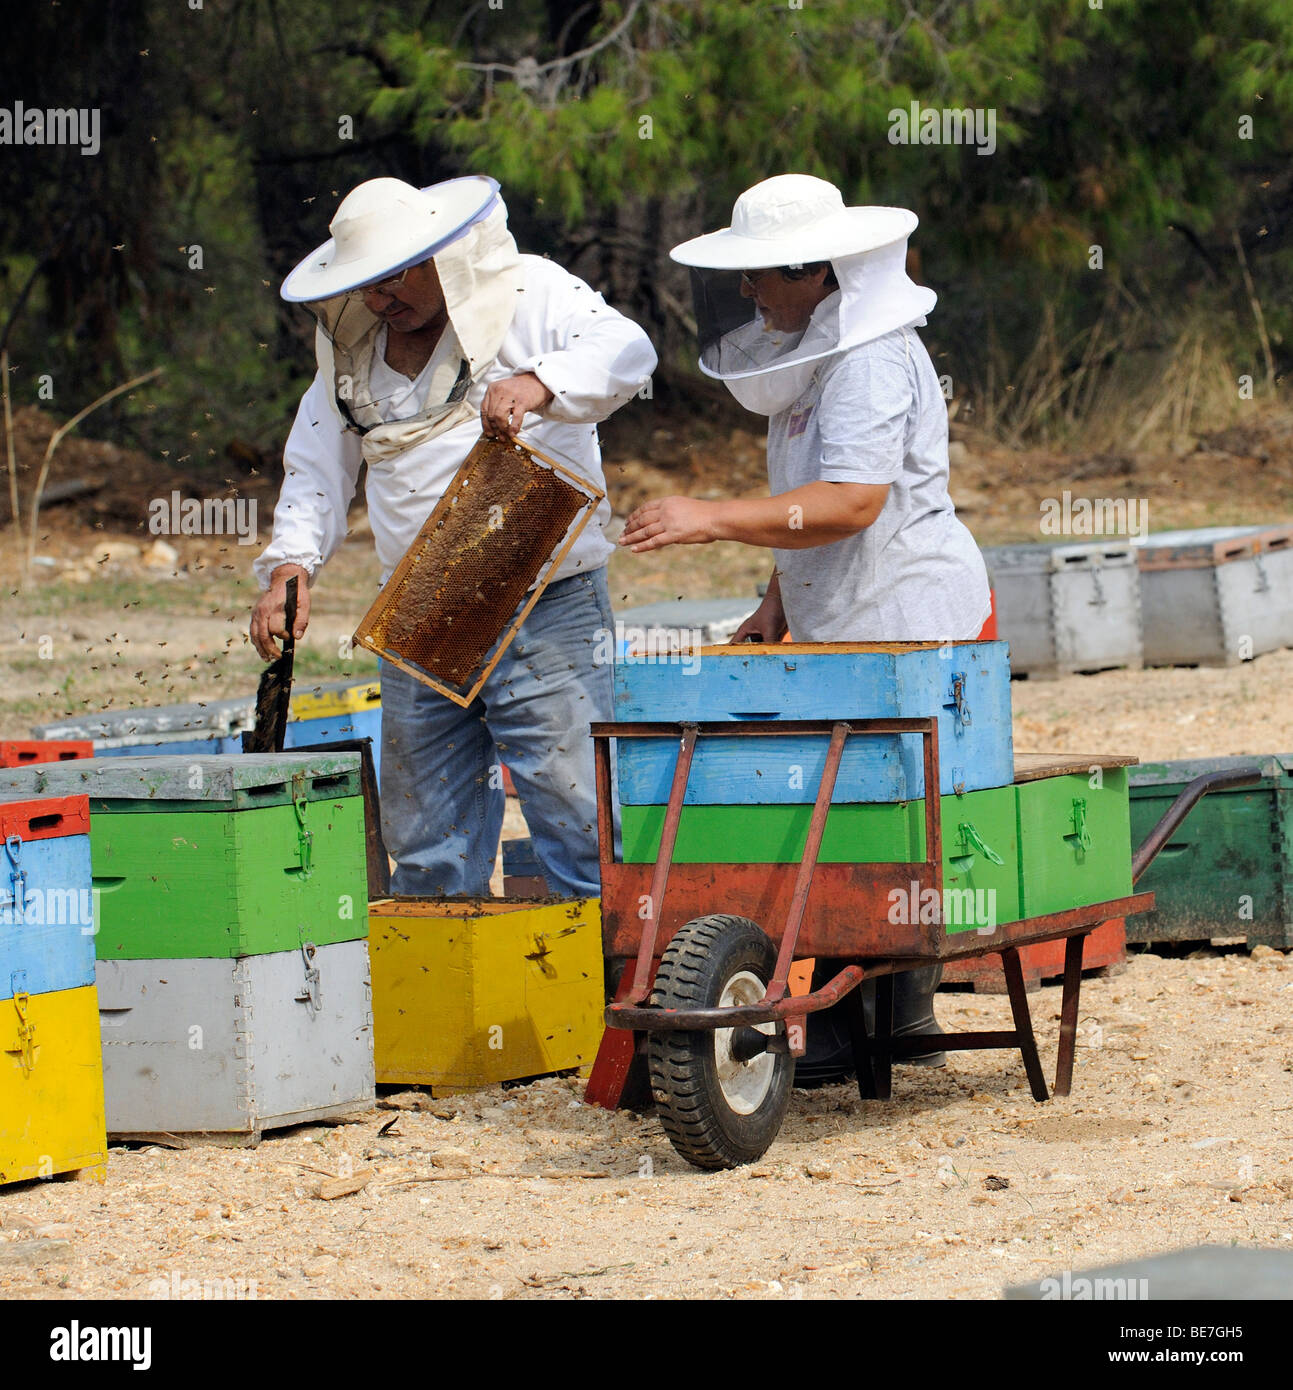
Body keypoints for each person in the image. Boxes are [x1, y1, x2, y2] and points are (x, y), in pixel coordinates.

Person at [620, 172, 992, 1069]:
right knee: (856, 809)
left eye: (762, 276)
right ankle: (870, 1019)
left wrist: (708, 514)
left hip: (909, 612)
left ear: (819, 273)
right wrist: (773, 603)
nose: (747, 293)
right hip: (846, 615)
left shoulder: (867, 360)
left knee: (891, 817)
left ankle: (883, 1019)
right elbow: (804, 508)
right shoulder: (814, 361)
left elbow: (855, 502)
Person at [251, 175, 656, 898]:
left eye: (395, 277)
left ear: (440, 254)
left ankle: (600, 1000)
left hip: (543, 599)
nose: (381, 300)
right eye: (366, 286)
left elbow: (627, 352)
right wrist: (291, 562)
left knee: (578, 818)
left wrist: (538, 383)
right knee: (427, 834)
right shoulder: (350, 341)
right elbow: (318, 460)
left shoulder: (526, 290)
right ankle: (452, 996)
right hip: (421, 606)